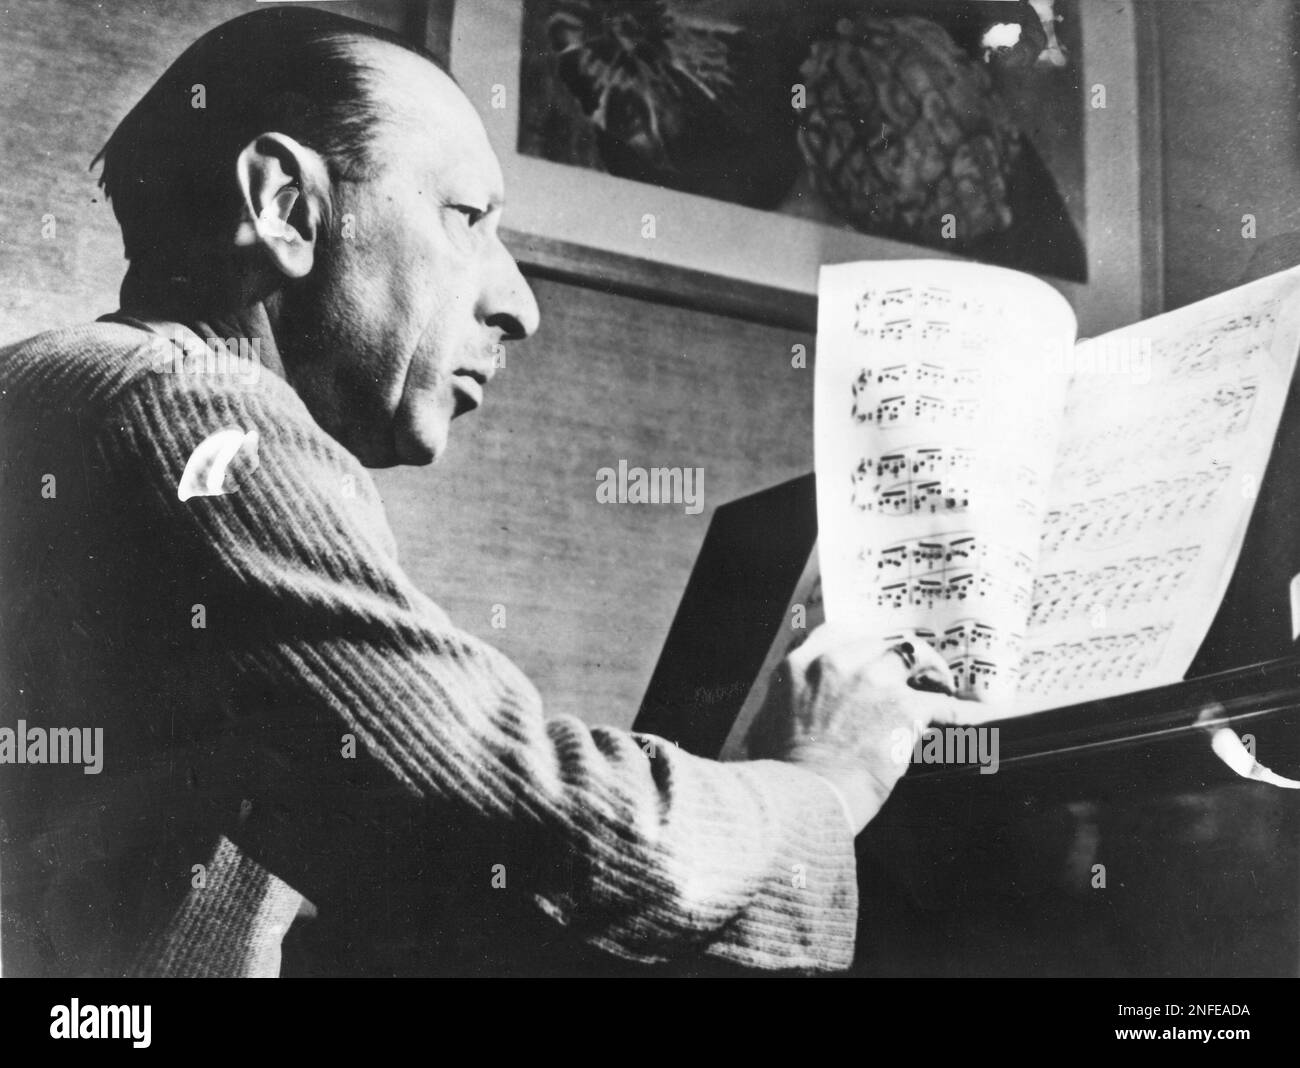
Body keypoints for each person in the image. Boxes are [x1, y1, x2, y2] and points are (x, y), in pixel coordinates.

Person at [0, 7, 959, 977]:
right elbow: (512, 808)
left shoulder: (95, 393)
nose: (520, 306)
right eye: (468, 219)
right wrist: (822, 784)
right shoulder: (188, 406)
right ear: (285, 205)